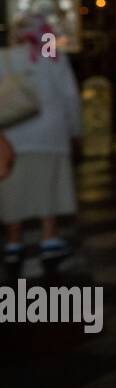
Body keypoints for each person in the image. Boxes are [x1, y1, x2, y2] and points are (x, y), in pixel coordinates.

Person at [0, 15, 82, 265]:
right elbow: (70, 96)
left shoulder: (4, 56)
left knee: (12, 188)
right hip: (51, 133)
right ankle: (49, 239)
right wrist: (75, 129)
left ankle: (14, 241)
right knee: (49, 185)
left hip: (14, 133)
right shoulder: (54, 57)